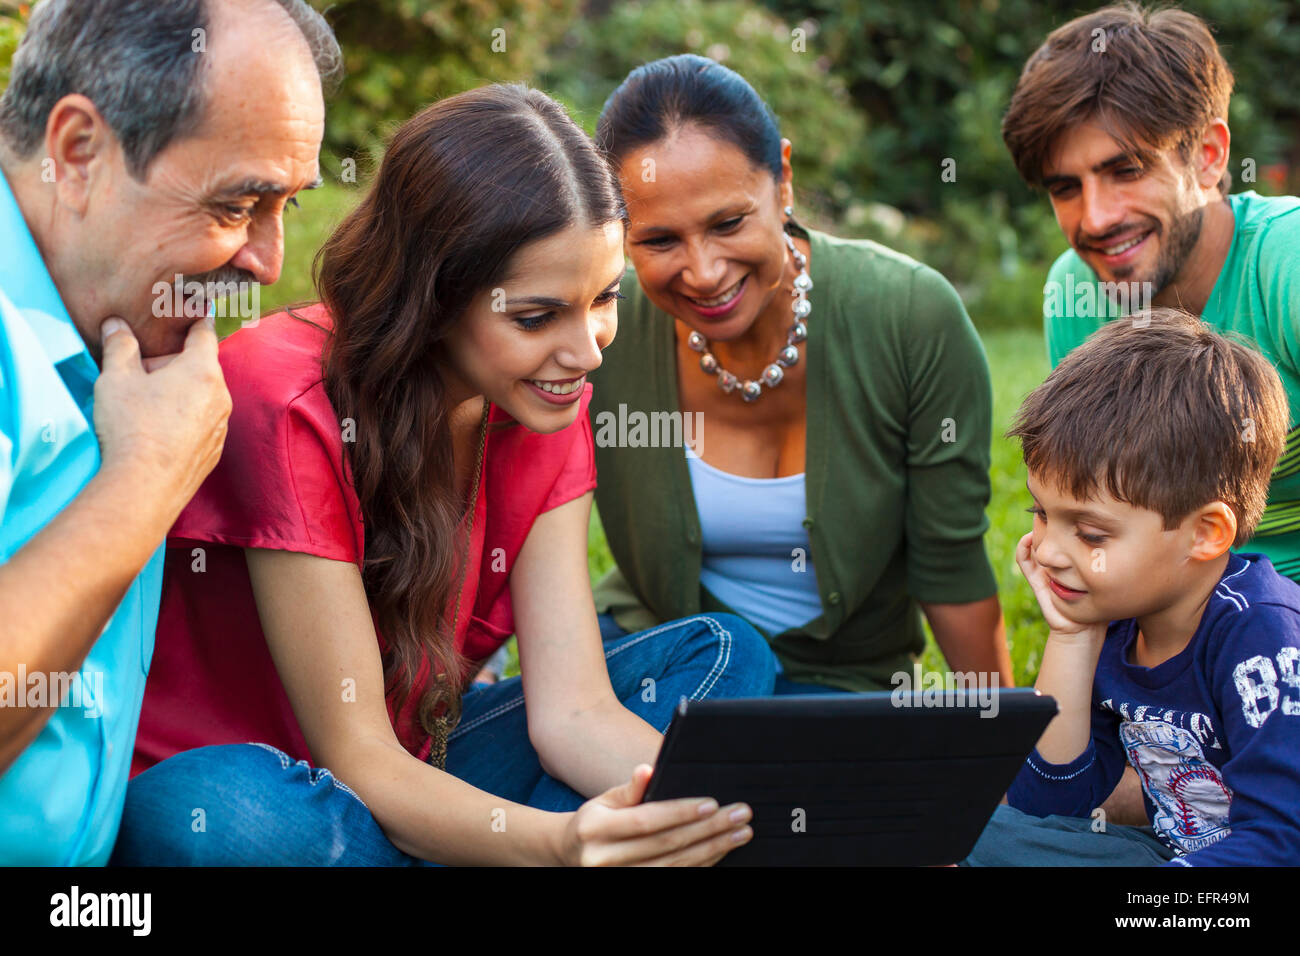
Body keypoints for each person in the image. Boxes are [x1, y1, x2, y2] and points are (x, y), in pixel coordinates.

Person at [113, 84, 776, 867]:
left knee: (723, 653)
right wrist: (564, 843)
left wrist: (726, 824)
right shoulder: (287, 400)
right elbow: (355, 757)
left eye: (603, 299)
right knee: (224, 816)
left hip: (421, 766)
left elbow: (572, 712)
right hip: (268, 790)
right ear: (430, 299)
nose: (587, 349)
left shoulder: (540, 400)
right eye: (536, 317)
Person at [0, 0, 336, 865]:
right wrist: (145, 481)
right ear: (79, 153)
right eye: (238, 204)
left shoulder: (125, 322)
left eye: (287, 205)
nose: (267, 258)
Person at [588, 54, 1013, 694]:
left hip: (838, 685)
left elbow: (950, 565)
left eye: (728, 223)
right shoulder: (600, 332)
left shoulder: (909, 318)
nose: (703, 272)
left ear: (782, 180)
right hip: (655, 653)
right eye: (659, 241)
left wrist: (1002, 737)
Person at [965, 309, 1300, 866]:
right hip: (1168, 860)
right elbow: (1049, 803)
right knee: (971, 833)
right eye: (1041, 513)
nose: (1046, 551)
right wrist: (1072, 639)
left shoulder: (1262, 637)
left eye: (1090, 532)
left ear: (1205, 533)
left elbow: (1282, 839)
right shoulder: (1118, 619)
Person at [1003, 2, 1300, 583]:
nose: (1095, 219)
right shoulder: (1075, 290)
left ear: (1209, 156)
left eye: (1128, 169)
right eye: (1066, 188)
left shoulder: (1285, 259)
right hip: (1167, 620)